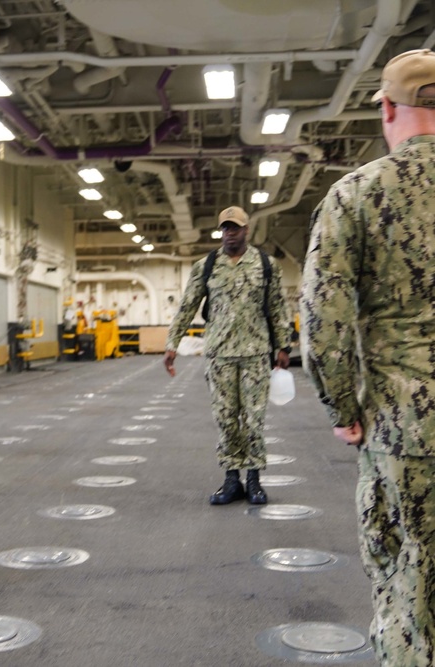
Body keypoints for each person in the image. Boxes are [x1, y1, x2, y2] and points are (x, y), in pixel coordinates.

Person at [300, 48, 435, 666]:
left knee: (408, 587)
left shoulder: (356, 194)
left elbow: (323, 323)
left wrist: (343, 407)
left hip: (401, 428)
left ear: (386, 107)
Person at [164, 206, 291, 505]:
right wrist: (172, 344)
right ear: (221, 231)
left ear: (247, 230)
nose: (230, 232)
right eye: (225, 228)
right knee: (225, 419)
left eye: (235, 227)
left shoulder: (265, 264)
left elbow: (277, 308)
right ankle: (232, 480)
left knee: (254, 419)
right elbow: (187, 306)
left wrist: (283, 346)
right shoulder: (205, 266)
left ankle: (255, 481)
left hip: (256, 354)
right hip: (219, 356)